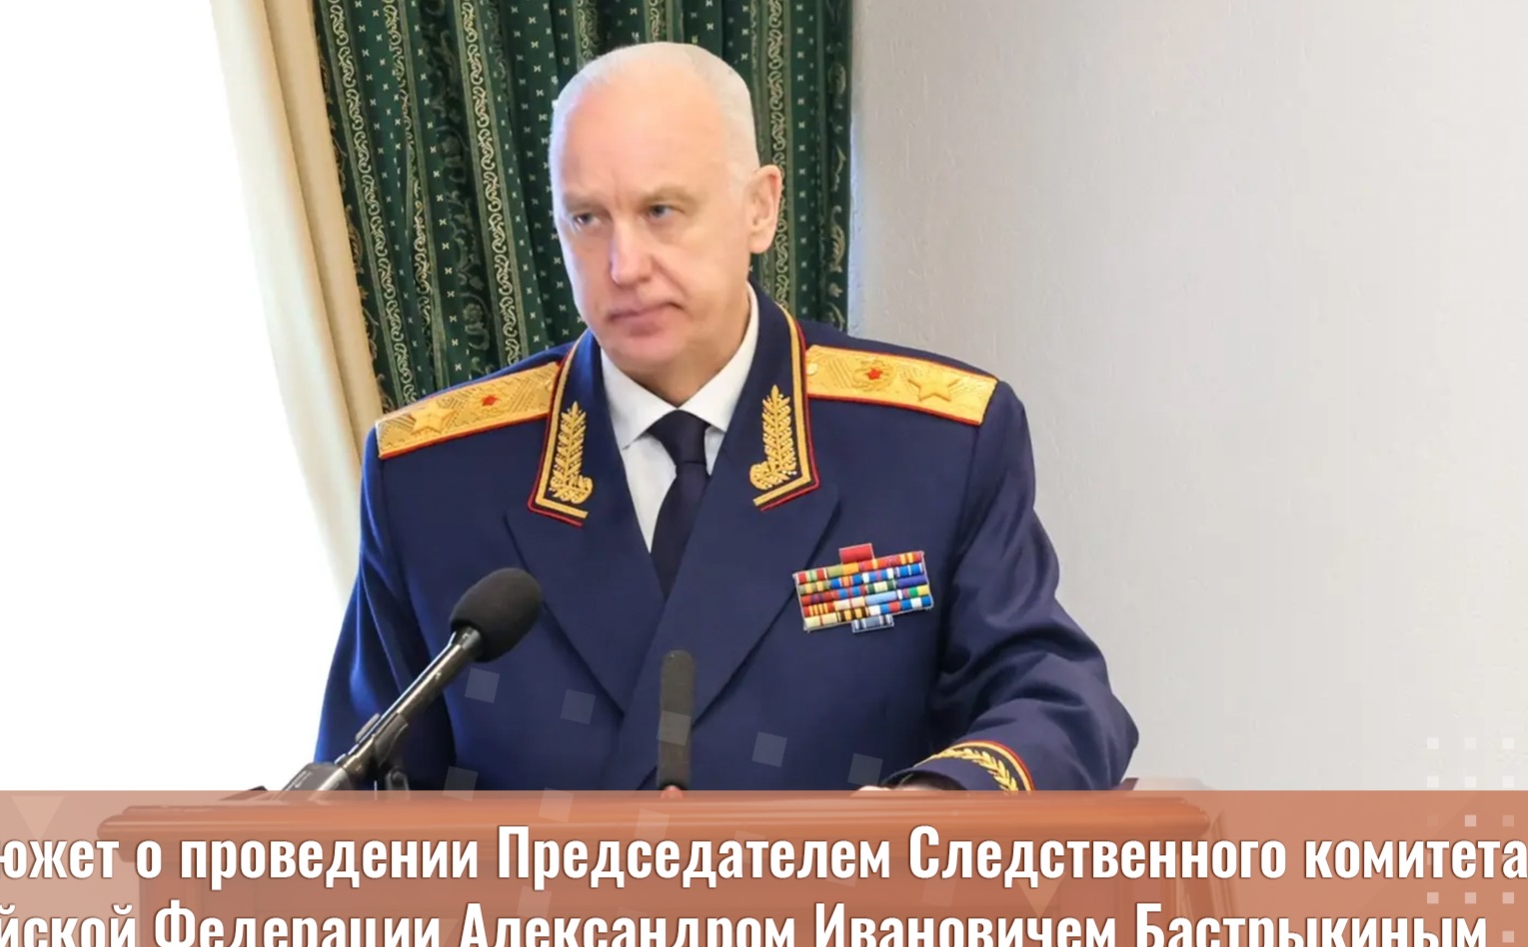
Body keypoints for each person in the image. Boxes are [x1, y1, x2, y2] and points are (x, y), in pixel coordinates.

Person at [315, 42, 1137, 793]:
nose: (623, 265)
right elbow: (362, 792)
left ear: (759, 208)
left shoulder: (934, 443)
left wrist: (936, 809)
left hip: (842, 908)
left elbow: (1056, 697)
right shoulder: (432, 477)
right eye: (586, 218)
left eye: (661, 211)